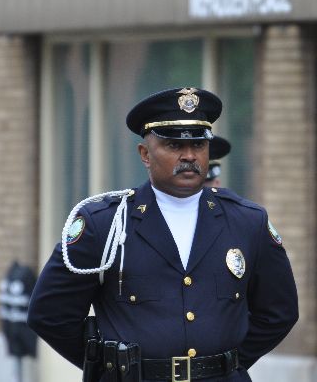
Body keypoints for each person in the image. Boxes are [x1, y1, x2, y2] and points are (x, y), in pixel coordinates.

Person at [28, 87, 298, 382]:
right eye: (173, 146)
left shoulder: (247, 221)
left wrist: (227, 364)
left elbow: (279, 312)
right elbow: (50, 314)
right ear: (145, 154)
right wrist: (114, 365)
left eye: (198, 145)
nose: (189, 156)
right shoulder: (104, 223)